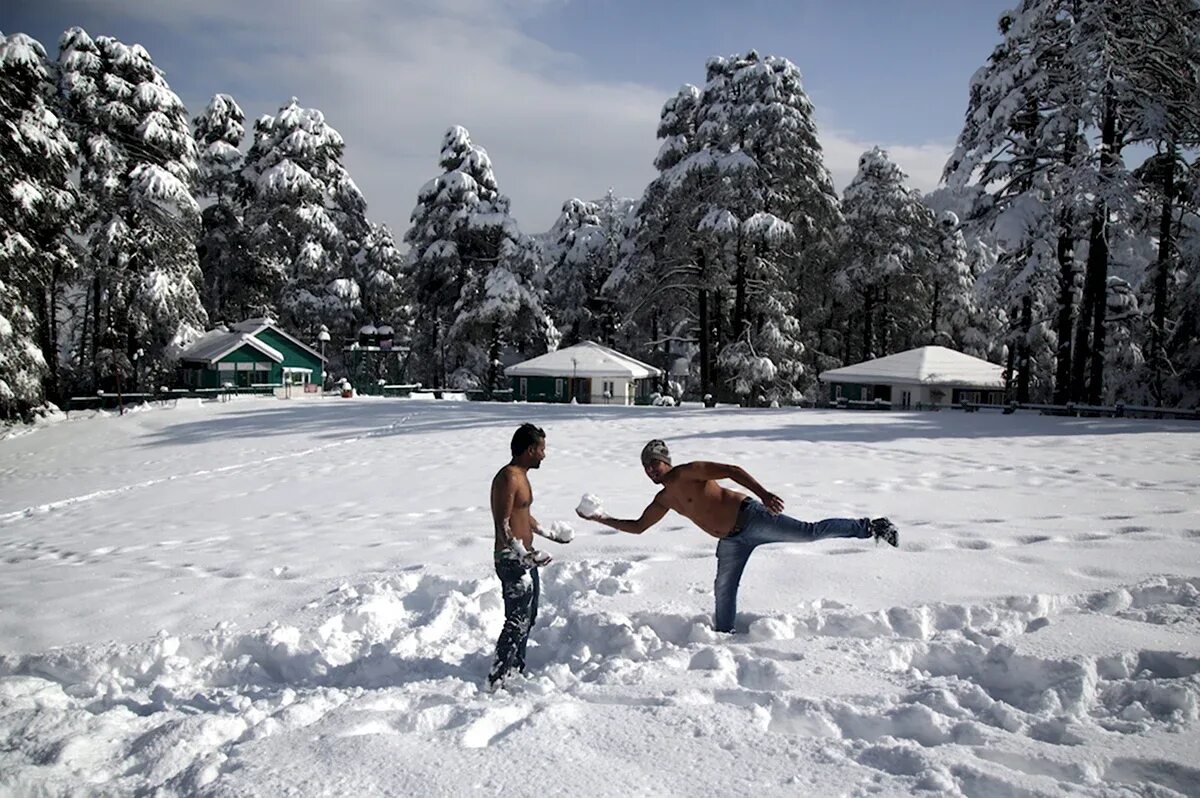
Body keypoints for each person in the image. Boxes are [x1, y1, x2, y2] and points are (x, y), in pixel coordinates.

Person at [576, 439, 899, 633]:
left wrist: (764, 493)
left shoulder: (688, 471)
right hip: (731, 540)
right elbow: (638, 527)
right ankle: (724, 635)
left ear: (667, 462)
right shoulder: (664, 499)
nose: (651, 470)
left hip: (753, 517)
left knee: (809, 533)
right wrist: (600, 518)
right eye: (647, 466)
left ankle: (871, 526)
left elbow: (731, 470)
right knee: (723, 588)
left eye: (655, 464)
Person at [488, 423, 570, 690]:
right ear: (530, 449)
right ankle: (498, 676)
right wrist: (521, 554)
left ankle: (515, 668)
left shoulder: (521, 475)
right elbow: (502, 523)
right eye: (541, 449)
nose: (544, 455)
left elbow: (522, 515)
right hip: (512, 560)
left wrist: (549, 534)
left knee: (529, 615)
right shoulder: (509, 477)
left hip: (525, 559)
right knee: (517, 618)